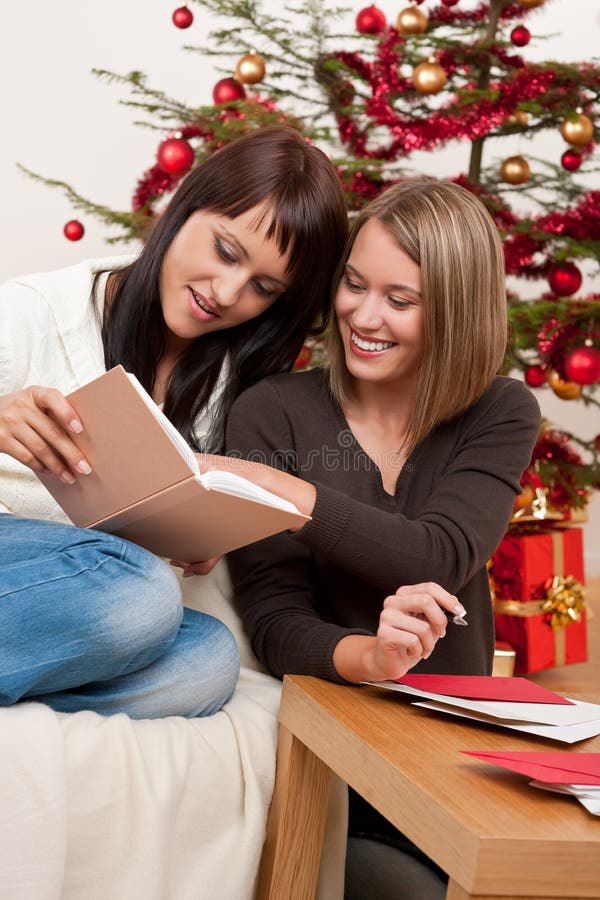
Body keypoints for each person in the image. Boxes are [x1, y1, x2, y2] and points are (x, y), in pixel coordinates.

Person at [207, 176, 541, 897]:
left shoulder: (499, 410)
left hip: (456, 767)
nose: (362, 314)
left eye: (400, 300)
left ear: (453, 312)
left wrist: (287, 494)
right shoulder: (273, 411)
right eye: (354, 284)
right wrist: (372, 655)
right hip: (332, 774)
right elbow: (274, 619)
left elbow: (440, 553)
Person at [0, 125, 349, 719]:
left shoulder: (228, 386)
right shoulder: (34, 312)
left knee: (208, 660)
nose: (227, 291)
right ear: (185, 205)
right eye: (225, 251)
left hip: (82, 597)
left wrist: (195, 533)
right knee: (142, 593)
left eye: (263, 287)